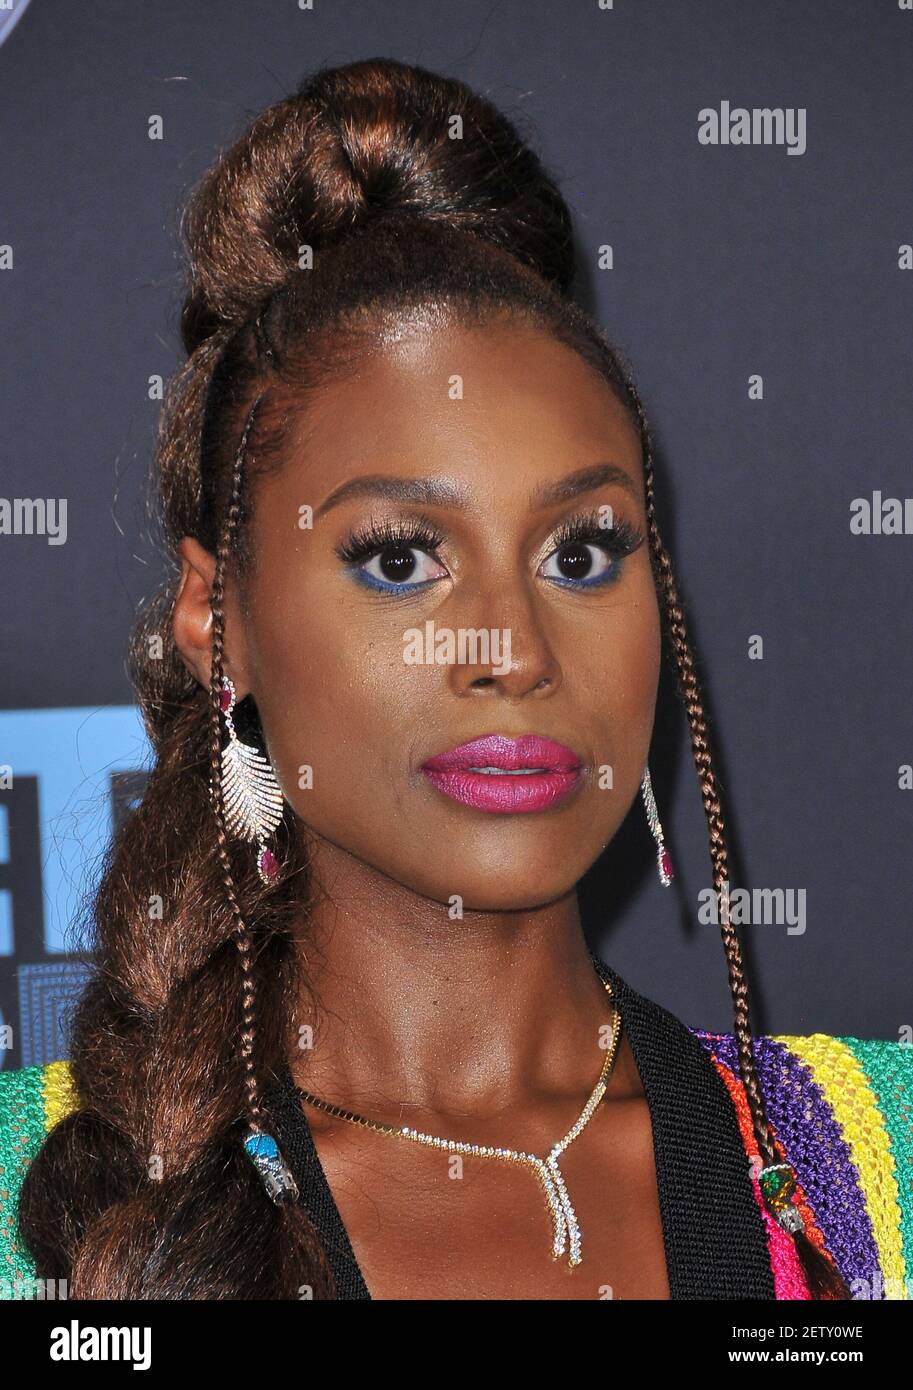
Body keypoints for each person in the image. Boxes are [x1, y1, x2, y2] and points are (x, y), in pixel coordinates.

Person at [1, 56, 910, 1302]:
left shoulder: (879, 1163)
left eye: (582, 551)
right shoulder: (42, 1189)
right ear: (222, 618)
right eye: (398, 558)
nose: (515, 651)